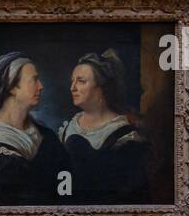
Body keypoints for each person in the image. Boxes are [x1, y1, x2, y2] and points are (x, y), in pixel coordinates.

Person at [0, 51, 67, 206]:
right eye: (34, 80)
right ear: (12, 87)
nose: (41, 86)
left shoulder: (45, 135)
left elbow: (66, 180)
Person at [58, 49, 150, 204]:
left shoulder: (124, 135)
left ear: (101, 88)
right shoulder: (69, 126)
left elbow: (129, 195)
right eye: (72, 81)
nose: (72, 88)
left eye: (81, 81)